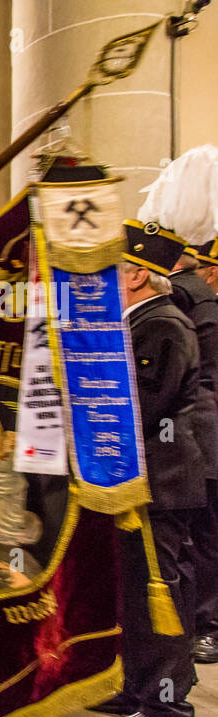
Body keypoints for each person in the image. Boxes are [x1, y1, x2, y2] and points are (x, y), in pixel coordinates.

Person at [92, 219, 207, 717]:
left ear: (137, 273)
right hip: (140, 481)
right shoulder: (142, 321)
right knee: (138, 594)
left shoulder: (162, 323)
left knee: (160, 593)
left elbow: (145, 405)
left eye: (113, 268)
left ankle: (168, 709)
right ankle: (139, 688)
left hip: (158, 481)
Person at [169, 247, 218, 664]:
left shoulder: (186, 295)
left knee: (201, 537)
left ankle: (205, 627)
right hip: (203, 432)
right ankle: (199, 627)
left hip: (200, 434)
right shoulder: (199, 296)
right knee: (201, 536)